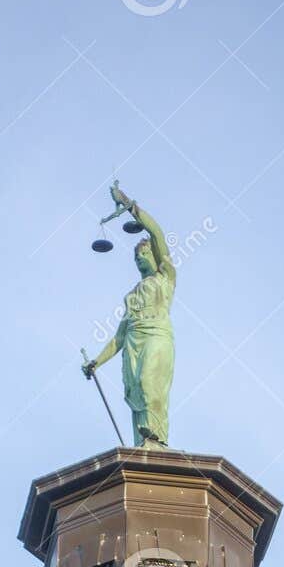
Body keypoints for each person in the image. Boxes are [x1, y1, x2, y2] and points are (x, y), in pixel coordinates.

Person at [82, 184, 176, 447]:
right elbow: (119, 337)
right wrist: (96, 362)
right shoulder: (132, 296)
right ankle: (143, 443)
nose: (138, 259)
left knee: (149, 383)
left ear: (154, 256)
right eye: (135, 257)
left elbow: (156, 233)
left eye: (143, 254)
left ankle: (157, 439)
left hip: (156, 336)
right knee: (136, 393)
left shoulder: (165, 278)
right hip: (133, 342)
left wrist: (130, 206)